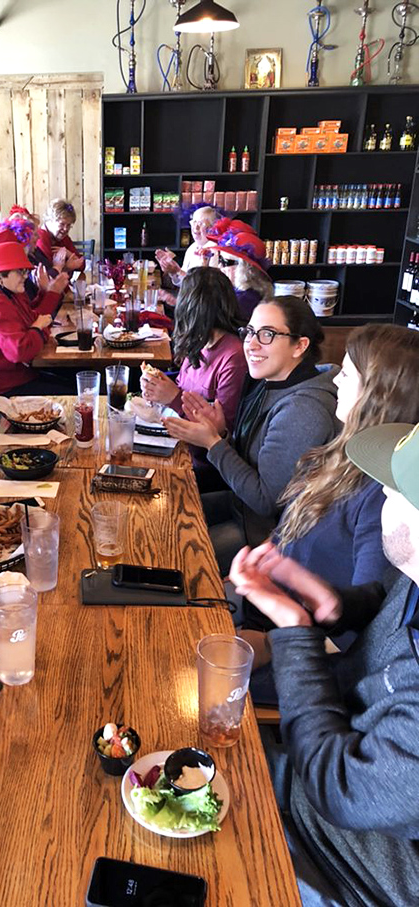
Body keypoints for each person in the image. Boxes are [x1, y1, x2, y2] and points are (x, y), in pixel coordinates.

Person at [228, 419, 419, 907]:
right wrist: (329, 603)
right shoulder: (413, 577)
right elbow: (387, 604)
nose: (384, 497)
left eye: (397, 491)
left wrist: (293, 630)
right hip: (316, 761)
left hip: (351, 861)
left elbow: (339, 789)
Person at [244, 324, 419, 700]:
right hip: (268, 621)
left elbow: (363, 637)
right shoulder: (334, 454)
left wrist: (274, 642)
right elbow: (285, 539)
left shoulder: (383, 496)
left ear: (379, 396)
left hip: (306, 664)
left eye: (347, 373)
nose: (335, 379)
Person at [164, 296, 339, 575]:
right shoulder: (272, 382)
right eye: (249, 332)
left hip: (269, 538)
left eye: (267, 334)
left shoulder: (303, 408)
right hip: (241, 510)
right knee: (163, 515)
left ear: (300, 345)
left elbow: (265, 501)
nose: (251, 344)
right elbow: (255, 463)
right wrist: (222, 432)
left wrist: (214, 443)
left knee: (169, 556)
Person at [140, 267, 247, 491]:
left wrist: (174, 398)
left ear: (189, 308)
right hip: (178, 447)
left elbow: (220, 433)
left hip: (204, 468)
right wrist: (158, 384)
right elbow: (183, 386)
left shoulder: (233, 356)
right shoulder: (200, 341)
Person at [0, 241, 72, 396]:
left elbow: (30, 317)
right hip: (1, 384)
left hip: (18, 371)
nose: (25, 276)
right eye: (20, 272)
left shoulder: (6, 289)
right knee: (75, 394)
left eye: (26, 271)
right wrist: (37, 328)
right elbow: (19, 352)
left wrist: (42, 301)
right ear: (1, 274)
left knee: (75, 381)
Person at [155, 204, 223, 306]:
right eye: (194, 222)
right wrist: (172, 271)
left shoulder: (213, 250)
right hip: (188, 303)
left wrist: (177, 271)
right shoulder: (192, 247)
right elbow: (182, 282)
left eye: (201, 224)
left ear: (212, 228)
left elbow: (205, 289)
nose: (195, 228)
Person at [207, 219, 273, 318]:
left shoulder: (245, 299)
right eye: (220, 260)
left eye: (226, 262)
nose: (220, 266)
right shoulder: (239, 291)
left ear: (244, 268)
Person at [36, 198, 85, 274]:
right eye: (62, 224)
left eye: (69, 225)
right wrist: (66, 268)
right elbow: (48, 275)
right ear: (49, 220)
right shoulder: (40, 238)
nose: (65, 229)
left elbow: (81, 265)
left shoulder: (63, 237)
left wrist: (69, 254)